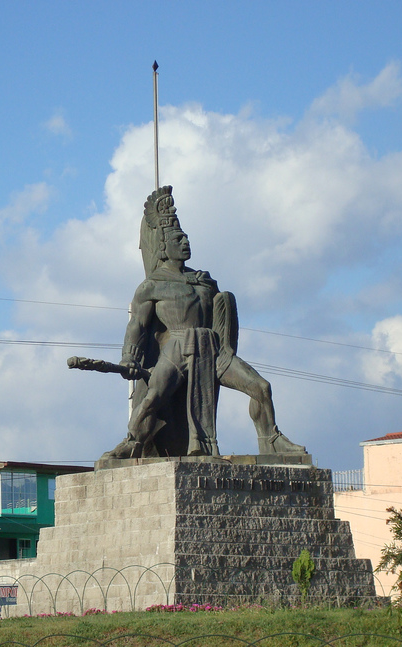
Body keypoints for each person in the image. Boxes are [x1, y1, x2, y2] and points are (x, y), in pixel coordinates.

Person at [103, 186, 306, 459]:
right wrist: (129, 357)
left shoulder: (205, 281)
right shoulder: (152, 286)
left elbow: (221, 316)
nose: (186, 242)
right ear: (163, 247)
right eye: (179, 239)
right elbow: (137, 326)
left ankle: (271, 439)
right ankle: (132, 442)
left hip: (213, 349)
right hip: (177, 348)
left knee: (261, 388)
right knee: (153, 398)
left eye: (186, 237)